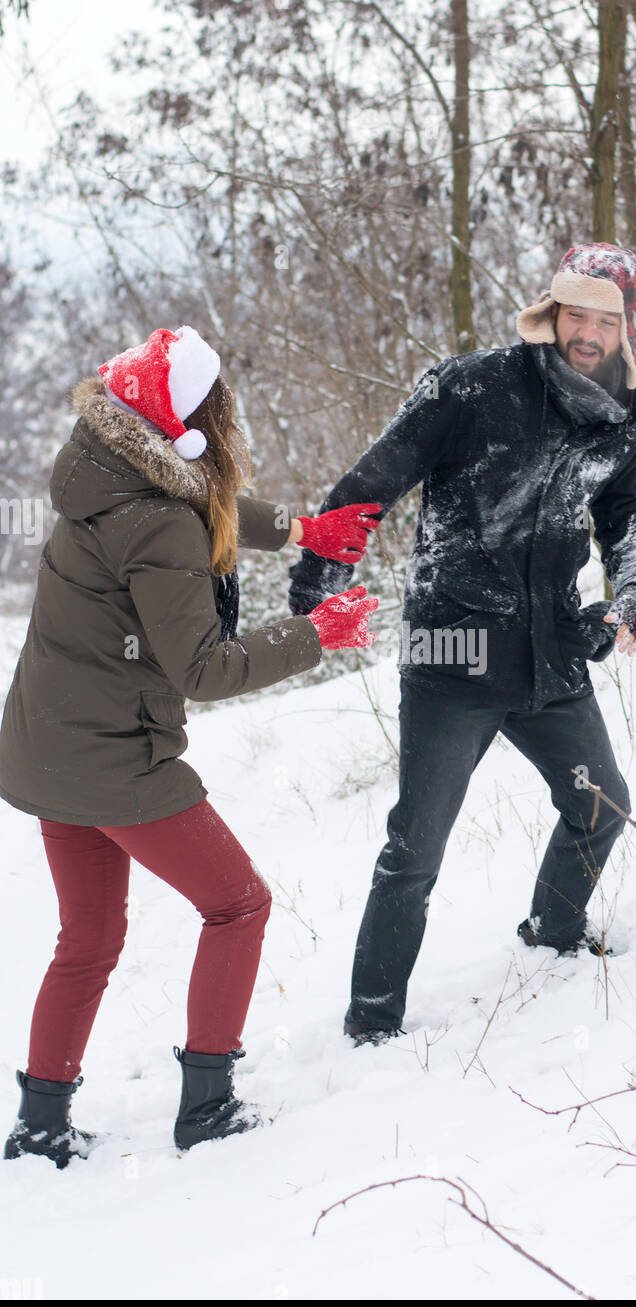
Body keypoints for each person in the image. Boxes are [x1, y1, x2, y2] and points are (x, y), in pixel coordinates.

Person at [0, 324, 379, 1166]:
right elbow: (205, 669)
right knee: (238, 904)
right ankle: (207, 1109)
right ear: (192, 417)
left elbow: (199, 509)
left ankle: (39, 1129)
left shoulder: (102, 472)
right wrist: (315, 632)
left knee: (87, 940)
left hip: (45, 750)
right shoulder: (159, 520)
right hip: (115, 762)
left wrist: (304, 530)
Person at [288, 242, 636, 1046]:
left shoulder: (622, 418)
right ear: (553, 312)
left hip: (551, 653)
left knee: (600, 805)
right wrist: (319, 581)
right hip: (452, 655)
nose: (587, 332)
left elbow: (628, 523)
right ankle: (372, 1023)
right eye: (576, 313)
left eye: (605, 318)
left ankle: (556, 940)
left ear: (627, 328)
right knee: (417, 848)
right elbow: (368, 486)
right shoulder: (470, 386)